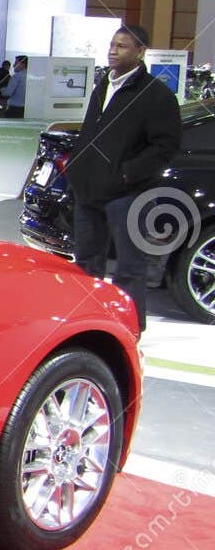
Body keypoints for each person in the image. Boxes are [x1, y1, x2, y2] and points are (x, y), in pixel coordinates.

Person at [64, 24, 182, 332]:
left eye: (122, 46)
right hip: (89, 190)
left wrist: (127, 173)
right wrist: (77, 166)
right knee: (87, 262)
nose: (113, 51)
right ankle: (86, 324)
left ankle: (130, 328)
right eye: (112, 45)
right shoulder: (103, 85)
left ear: (140, 51)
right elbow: (91, 131)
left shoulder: (156, 94)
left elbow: (166, 147)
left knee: (129, 267)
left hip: (127, 195)